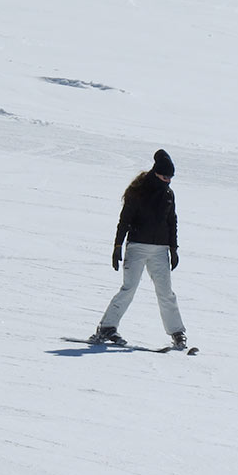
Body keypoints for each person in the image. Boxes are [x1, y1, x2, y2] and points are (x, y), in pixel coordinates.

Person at [88, 149, 187, 348]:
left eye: (171, 178)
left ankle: (177, 332)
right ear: (156, 173)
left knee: (166, 292)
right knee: (129, 288)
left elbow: (172, 222)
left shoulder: (169, 194)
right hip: (137, 247)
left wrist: (173, 248)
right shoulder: (138, 190)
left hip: (160, 250)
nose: (168, 181)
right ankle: (107, 327)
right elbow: (124, 220)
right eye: (165, 177)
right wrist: (118, 245)